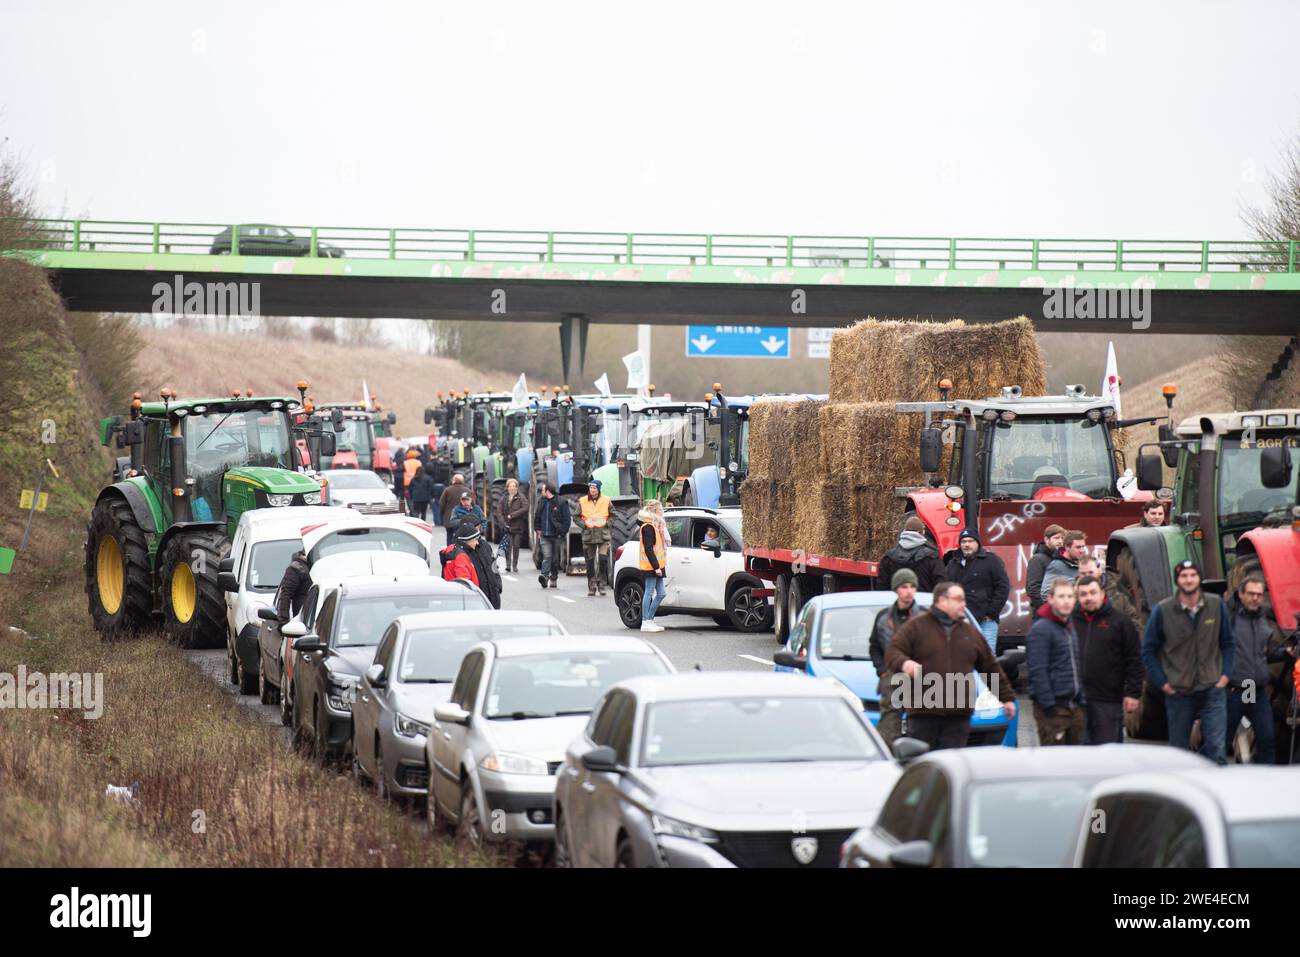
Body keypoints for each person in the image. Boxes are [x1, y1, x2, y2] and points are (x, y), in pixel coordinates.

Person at [885, 581, 1015, 751]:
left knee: (953, 764)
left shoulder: (970, 633)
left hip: (958, 716)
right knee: (923, 763)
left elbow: (990, 668)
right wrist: (904, 663)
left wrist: (1006, 698)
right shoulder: (916, 627)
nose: (963, 604)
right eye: (958, 599)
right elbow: (893, 652)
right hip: (923, 713)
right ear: (942, 600)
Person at [1141, 560, 1234, 765]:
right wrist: (1163, 683)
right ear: (1177, 580)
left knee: (1217, 750)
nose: (1189, 579)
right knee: (1178, 754)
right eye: (1184, 576)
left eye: (1193, 575)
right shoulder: (1162, 611)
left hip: (1212, 688)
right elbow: (1148, 650)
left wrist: (1225, 675)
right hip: (1179, 691)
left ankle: (1218, 792)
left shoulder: (1216, 605)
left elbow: (1228, 642)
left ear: (1199, 578)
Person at [1226, 573, 1292, 764]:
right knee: (1220, 740)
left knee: (1267, 739)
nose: (1255, 598)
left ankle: (1266, 782)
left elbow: (1266, 652)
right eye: (1251, 594)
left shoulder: (1262, 621)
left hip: (1256, 689)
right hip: (1236, 689)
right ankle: (1200, 771)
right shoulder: (1230, 620)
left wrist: (1286, 652)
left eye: (1259, 594)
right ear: (1241, 594)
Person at [1072, 574, 1143, 744]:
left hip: (1108, 700)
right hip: (1076, 701)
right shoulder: (1070, 622)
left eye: (1092, 593)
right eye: (1083, 594)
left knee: (1108, 753)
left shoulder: (1120, 621)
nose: (1088, 598)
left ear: (1102, 594)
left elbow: (1134, 658)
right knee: (1079, 755)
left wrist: (1133, 693)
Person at [1027, 579, 1086, 745]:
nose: (1066, 601)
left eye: (1070, 596)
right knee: (1055, 763)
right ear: (1051, 599)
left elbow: (1076, 665)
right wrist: (1049, 706)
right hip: (1053, 709)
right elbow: (1038, 671)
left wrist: (1081, 700)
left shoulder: (1070, 627)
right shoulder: (1041, 629)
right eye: (1061, 596)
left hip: (1074, 707)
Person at [869, 569, 922, 747]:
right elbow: (875, 646)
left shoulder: (925, 617)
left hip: (919, 681)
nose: (909, 591)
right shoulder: (884, 617)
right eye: (904, 587)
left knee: (919, 731)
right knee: (888, 732)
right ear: (896, 590)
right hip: (891, 679)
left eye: (912, 586)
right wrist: (882, 671)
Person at [944, 528, 1009, 651]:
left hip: (986, 620)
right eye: (963, 542)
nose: (966, 544)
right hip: (960, 620)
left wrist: (991, 612)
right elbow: (945, 589)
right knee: (963, 658)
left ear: (977, 543)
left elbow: (1003, 587)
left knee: (987, 658)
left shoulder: (991, 560)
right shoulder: (953, 564)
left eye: (970, 541)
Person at [439, 520, 501, 609]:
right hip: (466, 602)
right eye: (475, 540)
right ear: (467, 540)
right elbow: (465, 584)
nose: (477, 542)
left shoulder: (451, 551)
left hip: (456, 600)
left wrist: (498, 585)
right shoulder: (461, 556)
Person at [876, 515, 947, 591]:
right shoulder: (932, 557)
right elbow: (941, 586)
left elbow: (882, 587)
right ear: (922, 532)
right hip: (924, 602)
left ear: (904, 531)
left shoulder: (889, 557)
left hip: (898, 601)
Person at [637, 500, 670, 633]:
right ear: (655, 511)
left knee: (661, 593)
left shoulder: (654, 526)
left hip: (657, 566)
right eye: (660, 508)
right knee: (649, 592)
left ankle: (649, 619)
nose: (662, 510)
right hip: (651, 566)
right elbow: (648, 549)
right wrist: (656, 567)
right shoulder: (648, 527)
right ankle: (646, 621)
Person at [533, 482, 571, 589]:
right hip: (544, 535)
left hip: (556, 535)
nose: (542, 491)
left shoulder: (561, 502)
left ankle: (553, 578)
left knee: (554, 559)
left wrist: (562, 532)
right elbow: (537, 516)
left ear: (548, 491)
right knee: (547, 556)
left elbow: (567, 519)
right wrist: (537, 529)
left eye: (543, 489)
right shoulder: (541, 501)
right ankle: (544, 577)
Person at [578, 478, 613, 597]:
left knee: (603, 560)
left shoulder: (606, 500)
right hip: (589, 536)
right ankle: (592, 585)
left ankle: (601, 584)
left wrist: (608, 523)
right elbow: (575, 516)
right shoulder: (582, 501)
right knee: (589, 563)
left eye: (594, 488)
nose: (592, 490)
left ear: (598, 489)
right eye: (590, 488)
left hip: (603, 535)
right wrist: (583, 525)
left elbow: (614, 515)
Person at [1026, 524, 1067, 612]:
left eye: (1062, 538)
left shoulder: (1063, 559)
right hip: (1045, 612)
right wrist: (1046, 609)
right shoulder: (1037, 559)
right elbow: (1033, 589)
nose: (1060, 541)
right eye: (1056, 538)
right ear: (1047, 540)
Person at [1040, 530, 1088, 598]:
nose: (1082, 550)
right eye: (1078, 547)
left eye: (1083, 547)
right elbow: (1045, 594)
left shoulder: (1083, 564)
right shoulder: (1056, 566)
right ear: (1067, 547)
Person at [497, 478, 530, 574]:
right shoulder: (504, 498)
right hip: (507, 527)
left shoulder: (521, 497)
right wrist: (502, 523)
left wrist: (513, 515)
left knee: (516, 546)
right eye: (510, 486)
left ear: (516, 487)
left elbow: (525, 508)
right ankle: (508, 565)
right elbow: (499, 512)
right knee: (508, 547)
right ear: (507, 488)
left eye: (513, 486)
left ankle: (515, 566)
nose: (512, 488)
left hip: (518, 527)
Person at [273, 549, 312, 620]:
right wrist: (283, 619)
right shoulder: (296, 568)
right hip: (302, 622)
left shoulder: (320, 568)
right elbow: (285, 593)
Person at [438, 473, 467, 545]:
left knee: (449, 536)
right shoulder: (467, 491)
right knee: (461, 537)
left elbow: (442, 503)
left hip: (449, 518)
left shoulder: (447, 490)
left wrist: (443, 513)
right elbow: (472, 504)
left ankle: (449, 551)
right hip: (462, 518)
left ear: (453, 480)